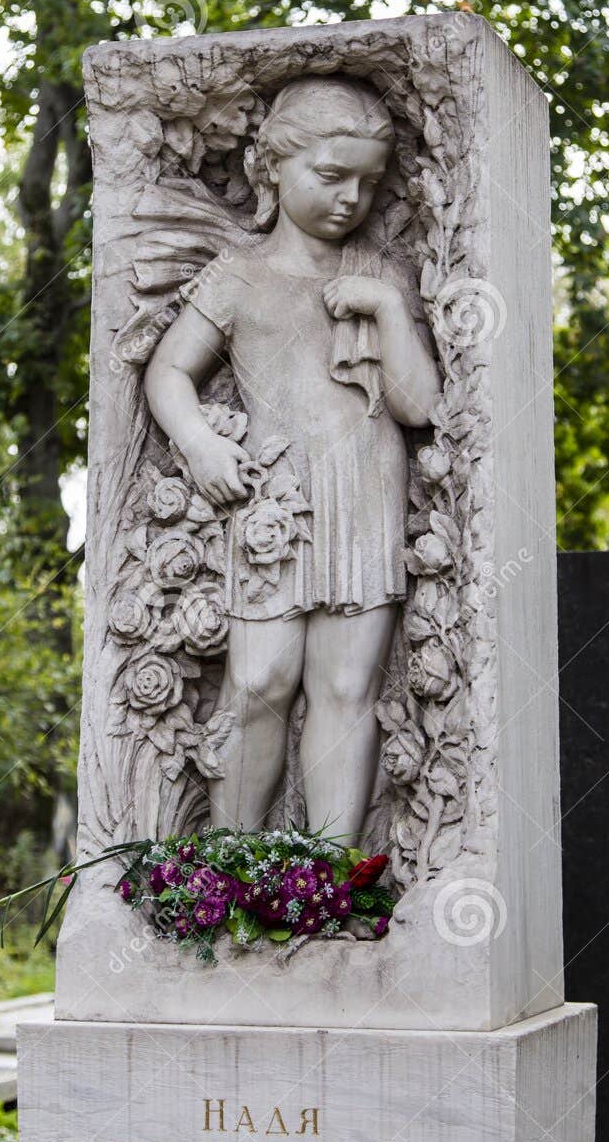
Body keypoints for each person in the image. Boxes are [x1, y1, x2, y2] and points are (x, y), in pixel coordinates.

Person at [144, 75, 440, 843]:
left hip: (365, 494)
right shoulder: (240, 275)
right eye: (331, 175)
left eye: (368, 182)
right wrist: (201, 443)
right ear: (273, 168)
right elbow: (168, 371)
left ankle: (332, 877)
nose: (351, 198)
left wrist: (383, 311)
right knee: (257, 683)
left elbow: (417, 406)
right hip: (274, 503)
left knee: (345, 687)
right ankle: (236, 865)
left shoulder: (381, 276)